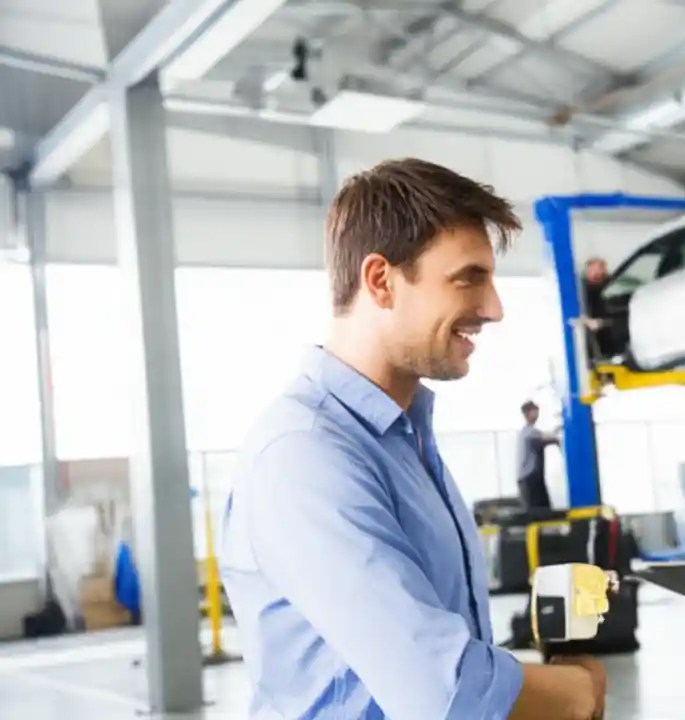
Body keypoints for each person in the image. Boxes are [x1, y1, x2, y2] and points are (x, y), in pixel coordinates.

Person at [219, 158, 606, 720]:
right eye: (468, 278)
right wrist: (577, 691)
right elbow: (440, 692)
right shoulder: (305, 454)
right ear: (381, 281)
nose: (494, 309)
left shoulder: (404, 441)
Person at [516, 400, 559, 510]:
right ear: (528, 413)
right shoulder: (530, 433)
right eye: (535, 411)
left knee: (543, 509)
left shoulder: (526, 432)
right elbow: (547, 438)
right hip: (530, 479)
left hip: (530, 478)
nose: (537, 414)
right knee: (540, 511)